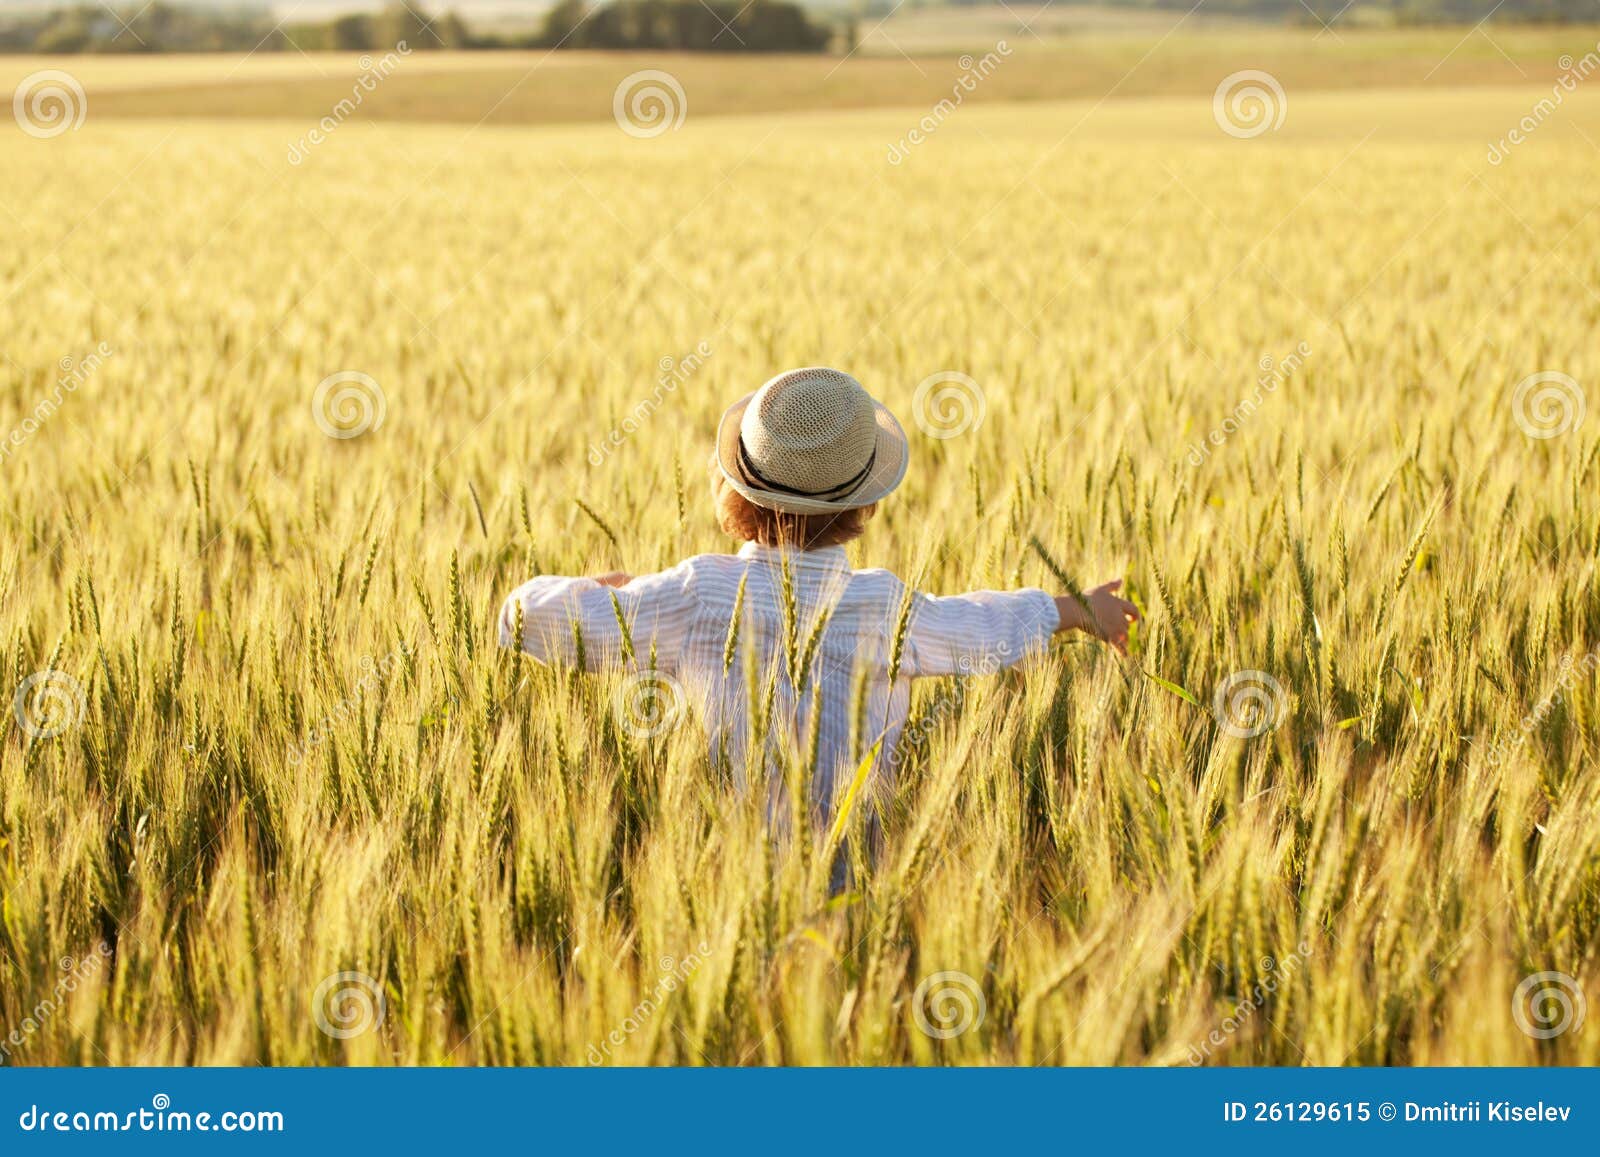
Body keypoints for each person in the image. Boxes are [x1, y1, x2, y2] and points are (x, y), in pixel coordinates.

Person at [499, 366, 1137, 817]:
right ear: (864, 507)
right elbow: (979, 628)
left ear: (735, 491)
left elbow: (529, 621)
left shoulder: (694, 594)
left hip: (732, 871)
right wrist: (1070, 611)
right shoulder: (886, 609)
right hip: (856, 871)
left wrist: (607, 588)